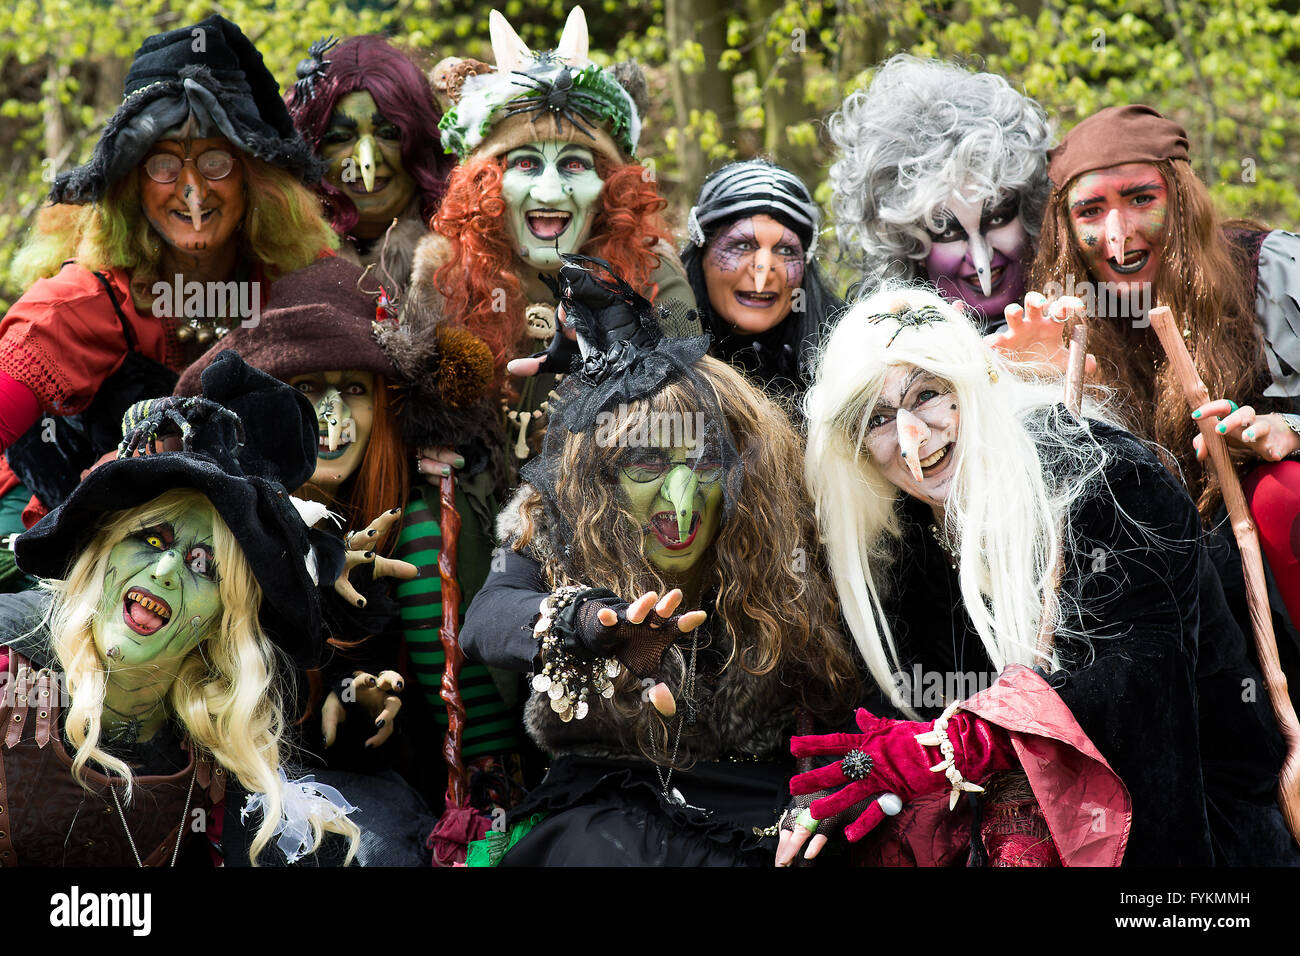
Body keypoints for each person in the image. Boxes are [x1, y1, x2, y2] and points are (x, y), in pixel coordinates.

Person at [778, 287, 1296, 866]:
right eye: (877, 419)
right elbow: (889, 718)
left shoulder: (1108, 478)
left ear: (975, 385)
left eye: (927, 395)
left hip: (1185, 839)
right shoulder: (906, 533)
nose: (910, 437)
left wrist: (959, 744)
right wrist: (850, 794)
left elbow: (1139, 680)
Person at [459, 257, 858, 865]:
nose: (679, 500)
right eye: (645, 466)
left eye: (701, 465)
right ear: (598, 479)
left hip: (759, 805)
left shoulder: (786, 533)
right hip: (608, 794)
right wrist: (592, 625)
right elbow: (487, 619)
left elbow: (852, 703)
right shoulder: (553, 516)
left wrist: (841, 786)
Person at [175, 257, 522, 852]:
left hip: (389, 786)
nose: (332, 414)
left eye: (354, 389)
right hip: (221, 778)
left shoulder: (420, 516)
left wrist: (357, 698)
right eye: (307, 389)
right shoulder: (212, 506)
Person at [0, 14, 335, 575]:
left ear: (253, 176)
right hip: (60, 540)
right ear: (131, 184)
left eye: (215, 159)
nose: (192, 190)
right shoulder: (84, 302)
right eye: (162, 162)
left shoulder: (295, 282)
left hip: (231, 555)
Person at [0, 351, 360, 866]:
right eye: (150, 538)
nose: (166, 569)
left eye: (204, 565)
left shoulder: (212, 764)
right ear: (102, 553)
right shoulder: (7, 660)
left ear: (224, 616)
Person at [1024, 105, 1300, 650]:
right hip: (1159, 600)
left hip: (1271, 563)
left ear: (1182, 200)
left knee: (1281, 495)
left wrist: (1289, 431)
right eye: (1090, 211)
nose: (1118, 235)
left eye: (1141, 199)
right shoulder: (1063, 324)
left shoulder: (1270, 273)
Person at [409, 6, 697, 467]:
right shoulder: (444, 274)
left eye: (575, 165)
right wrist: (423, 448)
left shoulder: (654, 271)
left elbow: (696, 415)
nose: (548, 190)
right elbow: (402, 411)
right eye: (524, 163)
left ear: (609, 187)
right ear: (485, 183)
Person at [827, 54, 1052, 328]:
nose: (982, 260)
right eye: (947, 232)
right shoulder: (887, 356)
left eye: (997, 219)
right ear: (909, 247)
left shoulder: (1085, 330)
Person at [285, 35, 454, 292]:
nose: (367, 160)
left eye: (389, 134)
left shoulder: (470, 261)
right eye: (341, 137)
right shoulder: (275, 263)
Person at [681, 159, 843, 404]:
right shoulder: (646, 348)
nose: (763, 275)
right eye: (743, 246)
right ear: (701, 250)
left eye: (786, 251)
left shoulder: (847, 357)